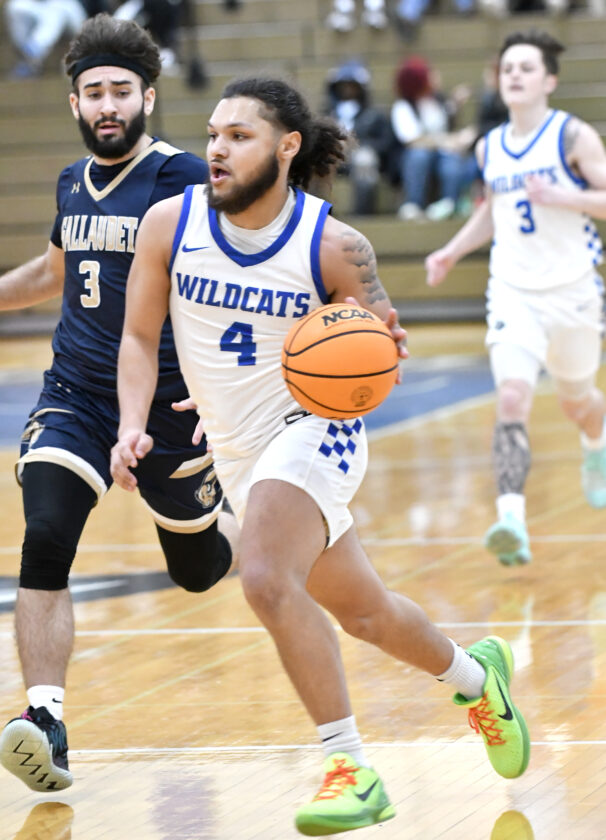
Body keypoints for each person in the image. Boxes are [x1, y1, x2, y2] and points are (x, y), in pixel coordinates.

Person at [110, 76, 530, 836]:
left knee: (266, 577)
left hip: (315, 431)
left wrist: (381, 347)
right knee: (366, 614)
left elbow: (378, 351)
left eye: (239, 136)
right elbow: (140, 337)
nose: (217, 148)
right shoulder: (168, 225)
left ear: (286, 145)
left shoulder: (334, 245)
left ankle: (350, 767)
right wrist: (132, 423)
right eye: (213, 134)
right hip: (236, 448)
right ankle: (479, 679)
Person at [0, 13, 237, 794]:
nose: (108, 105)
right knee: (46, 531)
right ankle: (44, 719)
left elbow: (244, 271)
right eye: (93, 92)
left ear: (149, 97)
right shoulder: (73, 181)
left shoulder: (182, 179)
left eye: (121, 92)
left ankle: (231, 519)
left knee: (198, 573)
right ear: (73, 102)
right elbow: (54, 272)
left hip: (170, 406)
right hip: (76, 394)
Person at [425, 29, 606, 567]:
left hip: (573, 290)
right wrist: (451, 252)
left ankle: (596, 448)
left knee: (578, 401)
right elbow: (492, 211)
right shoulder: (490, 145)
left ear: (549, 80)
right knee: (511, 399)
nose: (515, 76)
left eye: (526, 68)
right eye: (507, 69)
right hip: (512, 291)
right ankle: (511, 520)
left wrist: (563, 195)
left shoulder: (572, 137)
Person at [391, 55, 478, 221]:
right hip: (417, 157)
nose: (436, 76)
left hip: (441, 153)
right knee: (419, 155)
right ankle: (413, 203)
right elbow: (412, 140)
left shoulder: (436, 101)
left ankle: (449, 202)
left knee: (451, 159)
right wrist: (446, 141)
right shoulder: (403, 107)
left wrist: (456, 104)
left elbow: (443, 120)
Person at [324, 60, 397, 215]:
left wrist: (358, 146)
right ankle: (321, 218)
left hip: (360, 158)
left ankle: (362, 215)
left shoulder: (374, 116)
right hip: (334, 158)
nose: (347, 89)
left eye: (352, 85)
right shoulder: (327, 115)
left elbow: (386, 142)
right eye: (343, 85)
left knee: (365, 159)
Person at [4, 0, 101, 78]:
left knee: (57, 8)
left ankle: (32, 52)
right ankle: (28, 56)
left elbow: (100, 6)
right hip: (44, 8)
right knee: (15, 6)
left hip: (73, 10)